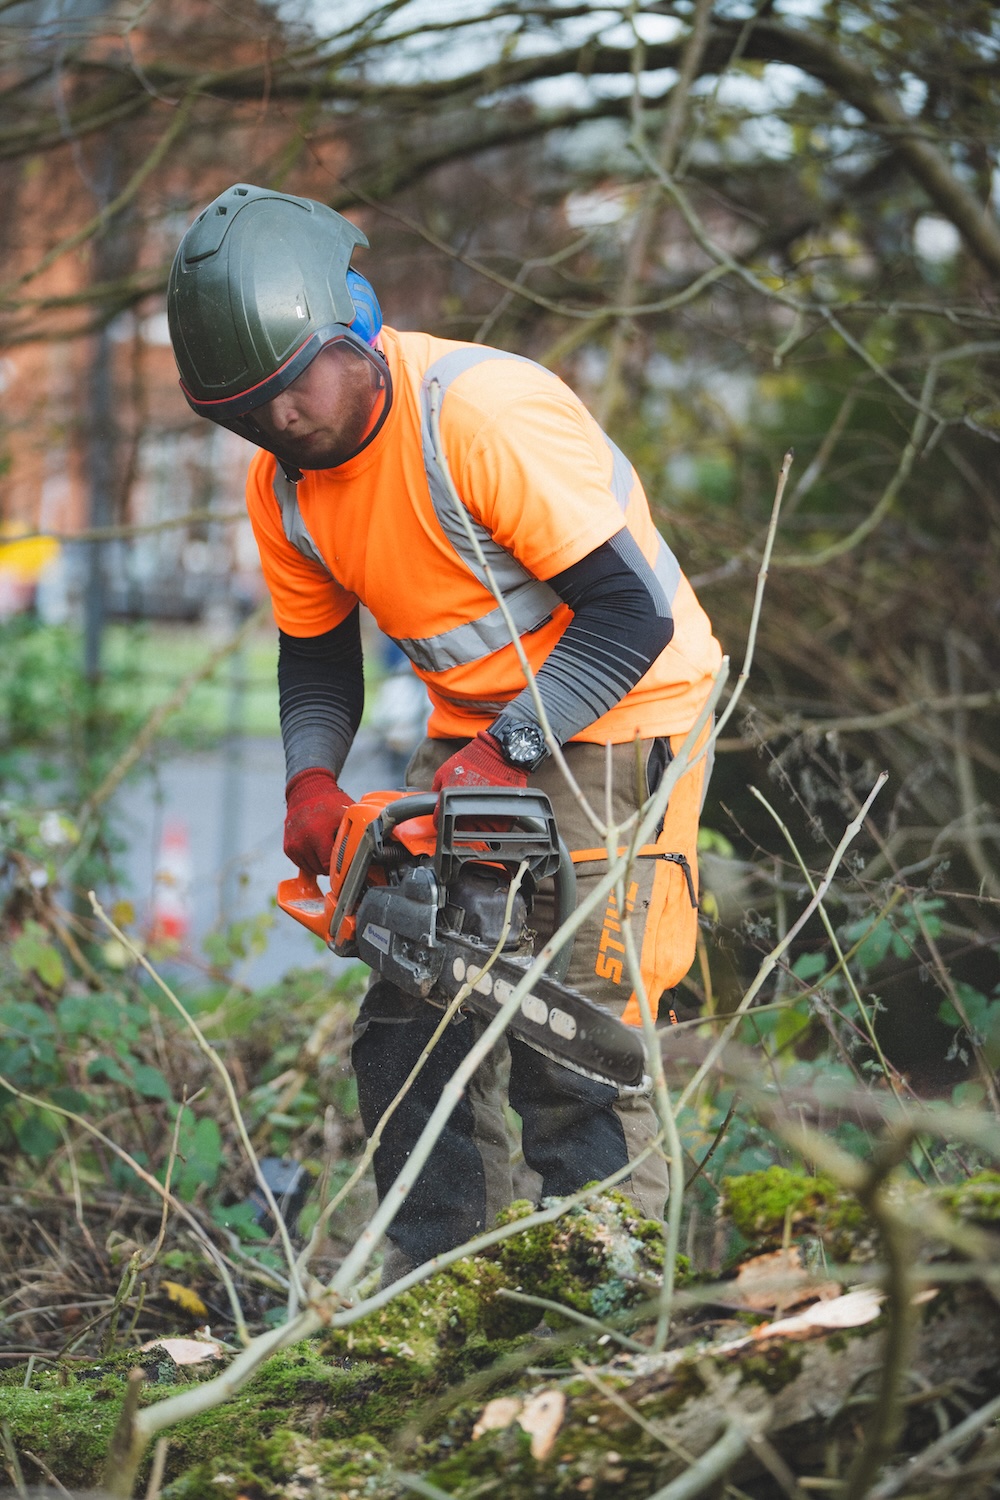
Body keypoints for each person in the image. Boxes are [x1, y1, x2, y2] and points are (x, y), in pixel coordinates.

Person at [168, 182, 723, 1279]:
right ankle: (443, 1287)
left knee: (573, 1026)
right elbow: (316, 656)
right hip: (476, 721)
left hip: (622, 711)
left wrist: (502, 756)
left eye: (290, 389)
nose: (279, 422)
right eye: (244, 410)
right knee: (413, 1007)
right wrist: (311, 782)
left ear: (356, 328)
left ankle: (611, 1305)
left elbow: (630, 613)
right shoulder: (282, 488)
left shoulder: (477, 416)